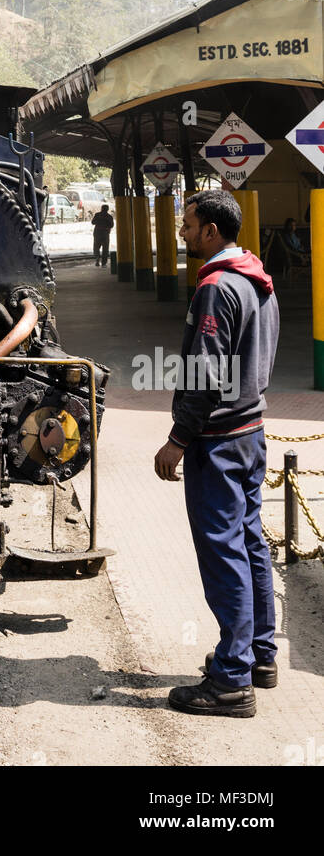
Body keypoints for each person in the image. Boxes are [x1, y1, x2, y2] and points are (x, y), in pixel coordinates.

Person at [154, 190, 279, 718]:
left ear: (210, 231)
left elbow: (206, 374)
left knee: (223, 550)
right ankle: (259, 657)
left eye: (187, 225)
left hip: (218, 442)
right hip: (250, 432)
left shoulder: (216, 288)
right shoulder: (258, 279)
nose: (182, 233)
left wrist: (178, 440)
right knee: (250, 543)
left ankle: (230, 681)